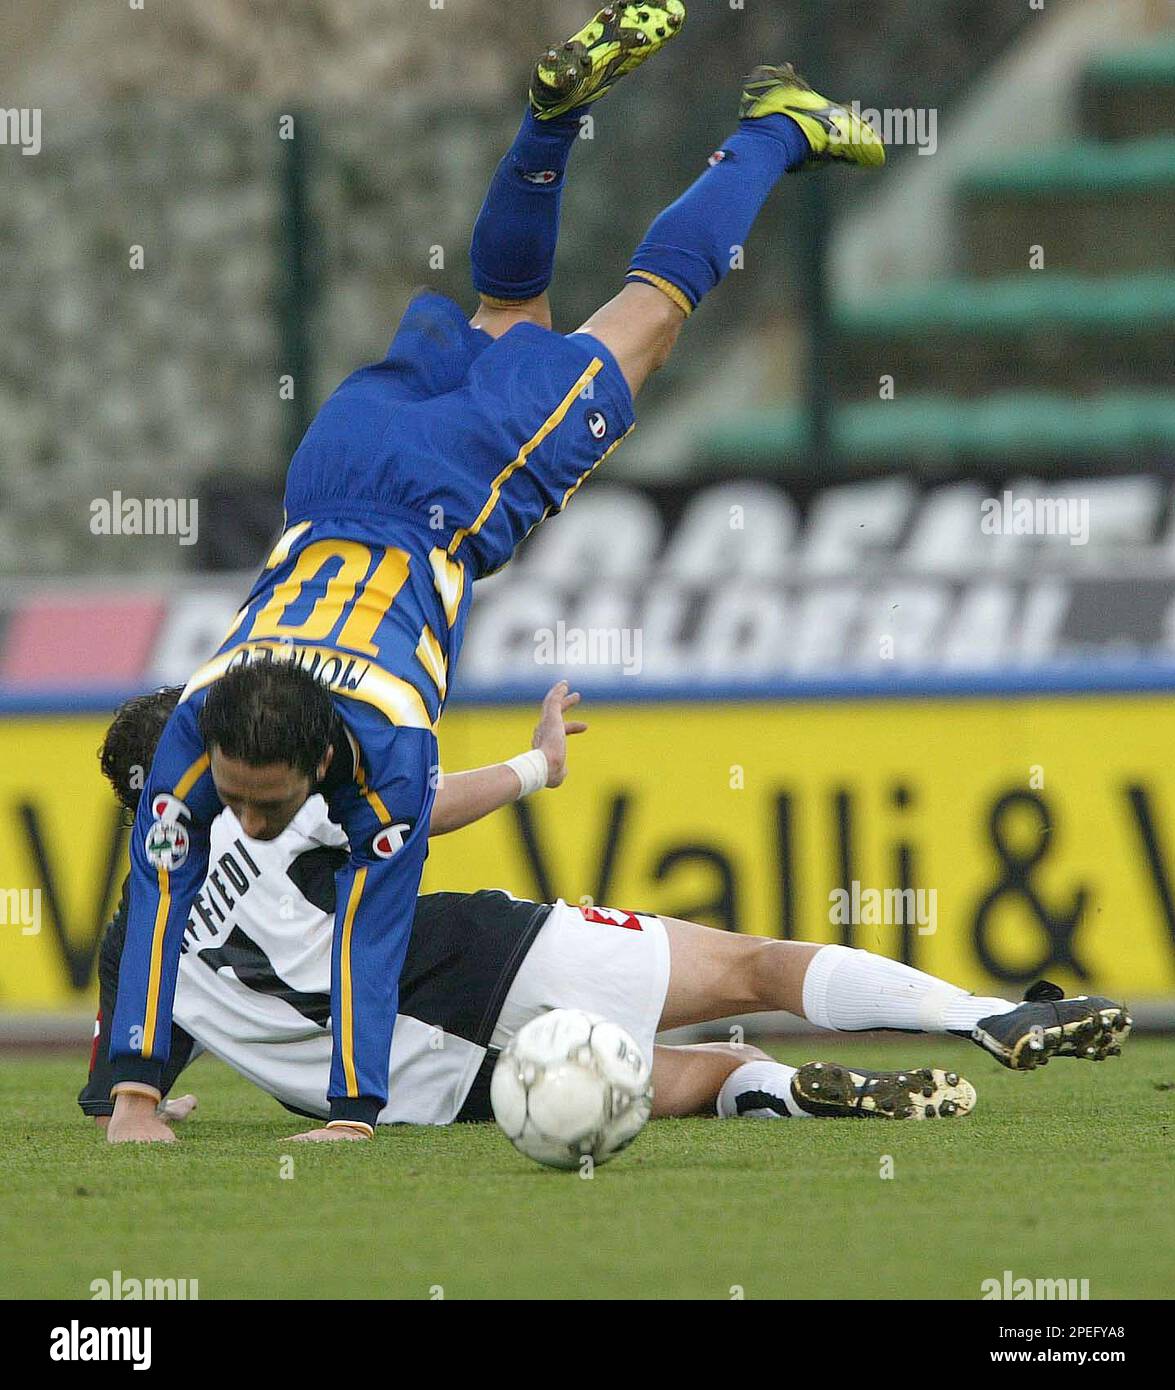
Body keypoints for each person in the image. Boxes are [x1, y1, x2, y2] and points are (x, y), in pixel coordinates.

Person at [106, 2, 894, 1142]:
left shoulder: (372, 747)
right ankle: (546, 126)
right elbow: (158, 889)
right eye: (244, 798)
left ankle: (773, 128)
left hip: (446, 498)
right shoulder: (206, 713)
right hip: (327, 465)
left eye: (261, 802)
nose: (254, 817)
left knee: (647, 320)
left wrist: (337, 1113)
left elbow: (318, 923)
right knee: (506, 311)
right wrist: (132, 1091)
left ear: (310, 757)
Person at [85, 682, 1132, 1140]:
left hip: (395, 1088)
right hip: (466, 959)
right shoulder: (255, 791)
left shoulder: (136, 938)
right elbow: (415, 808)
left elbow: (123, 1079)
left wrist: (147, 1108)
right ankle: (977, 1015)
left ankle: (776, 1093)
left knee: (647, 1082)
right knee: (749, 966)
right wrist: (533, 766)